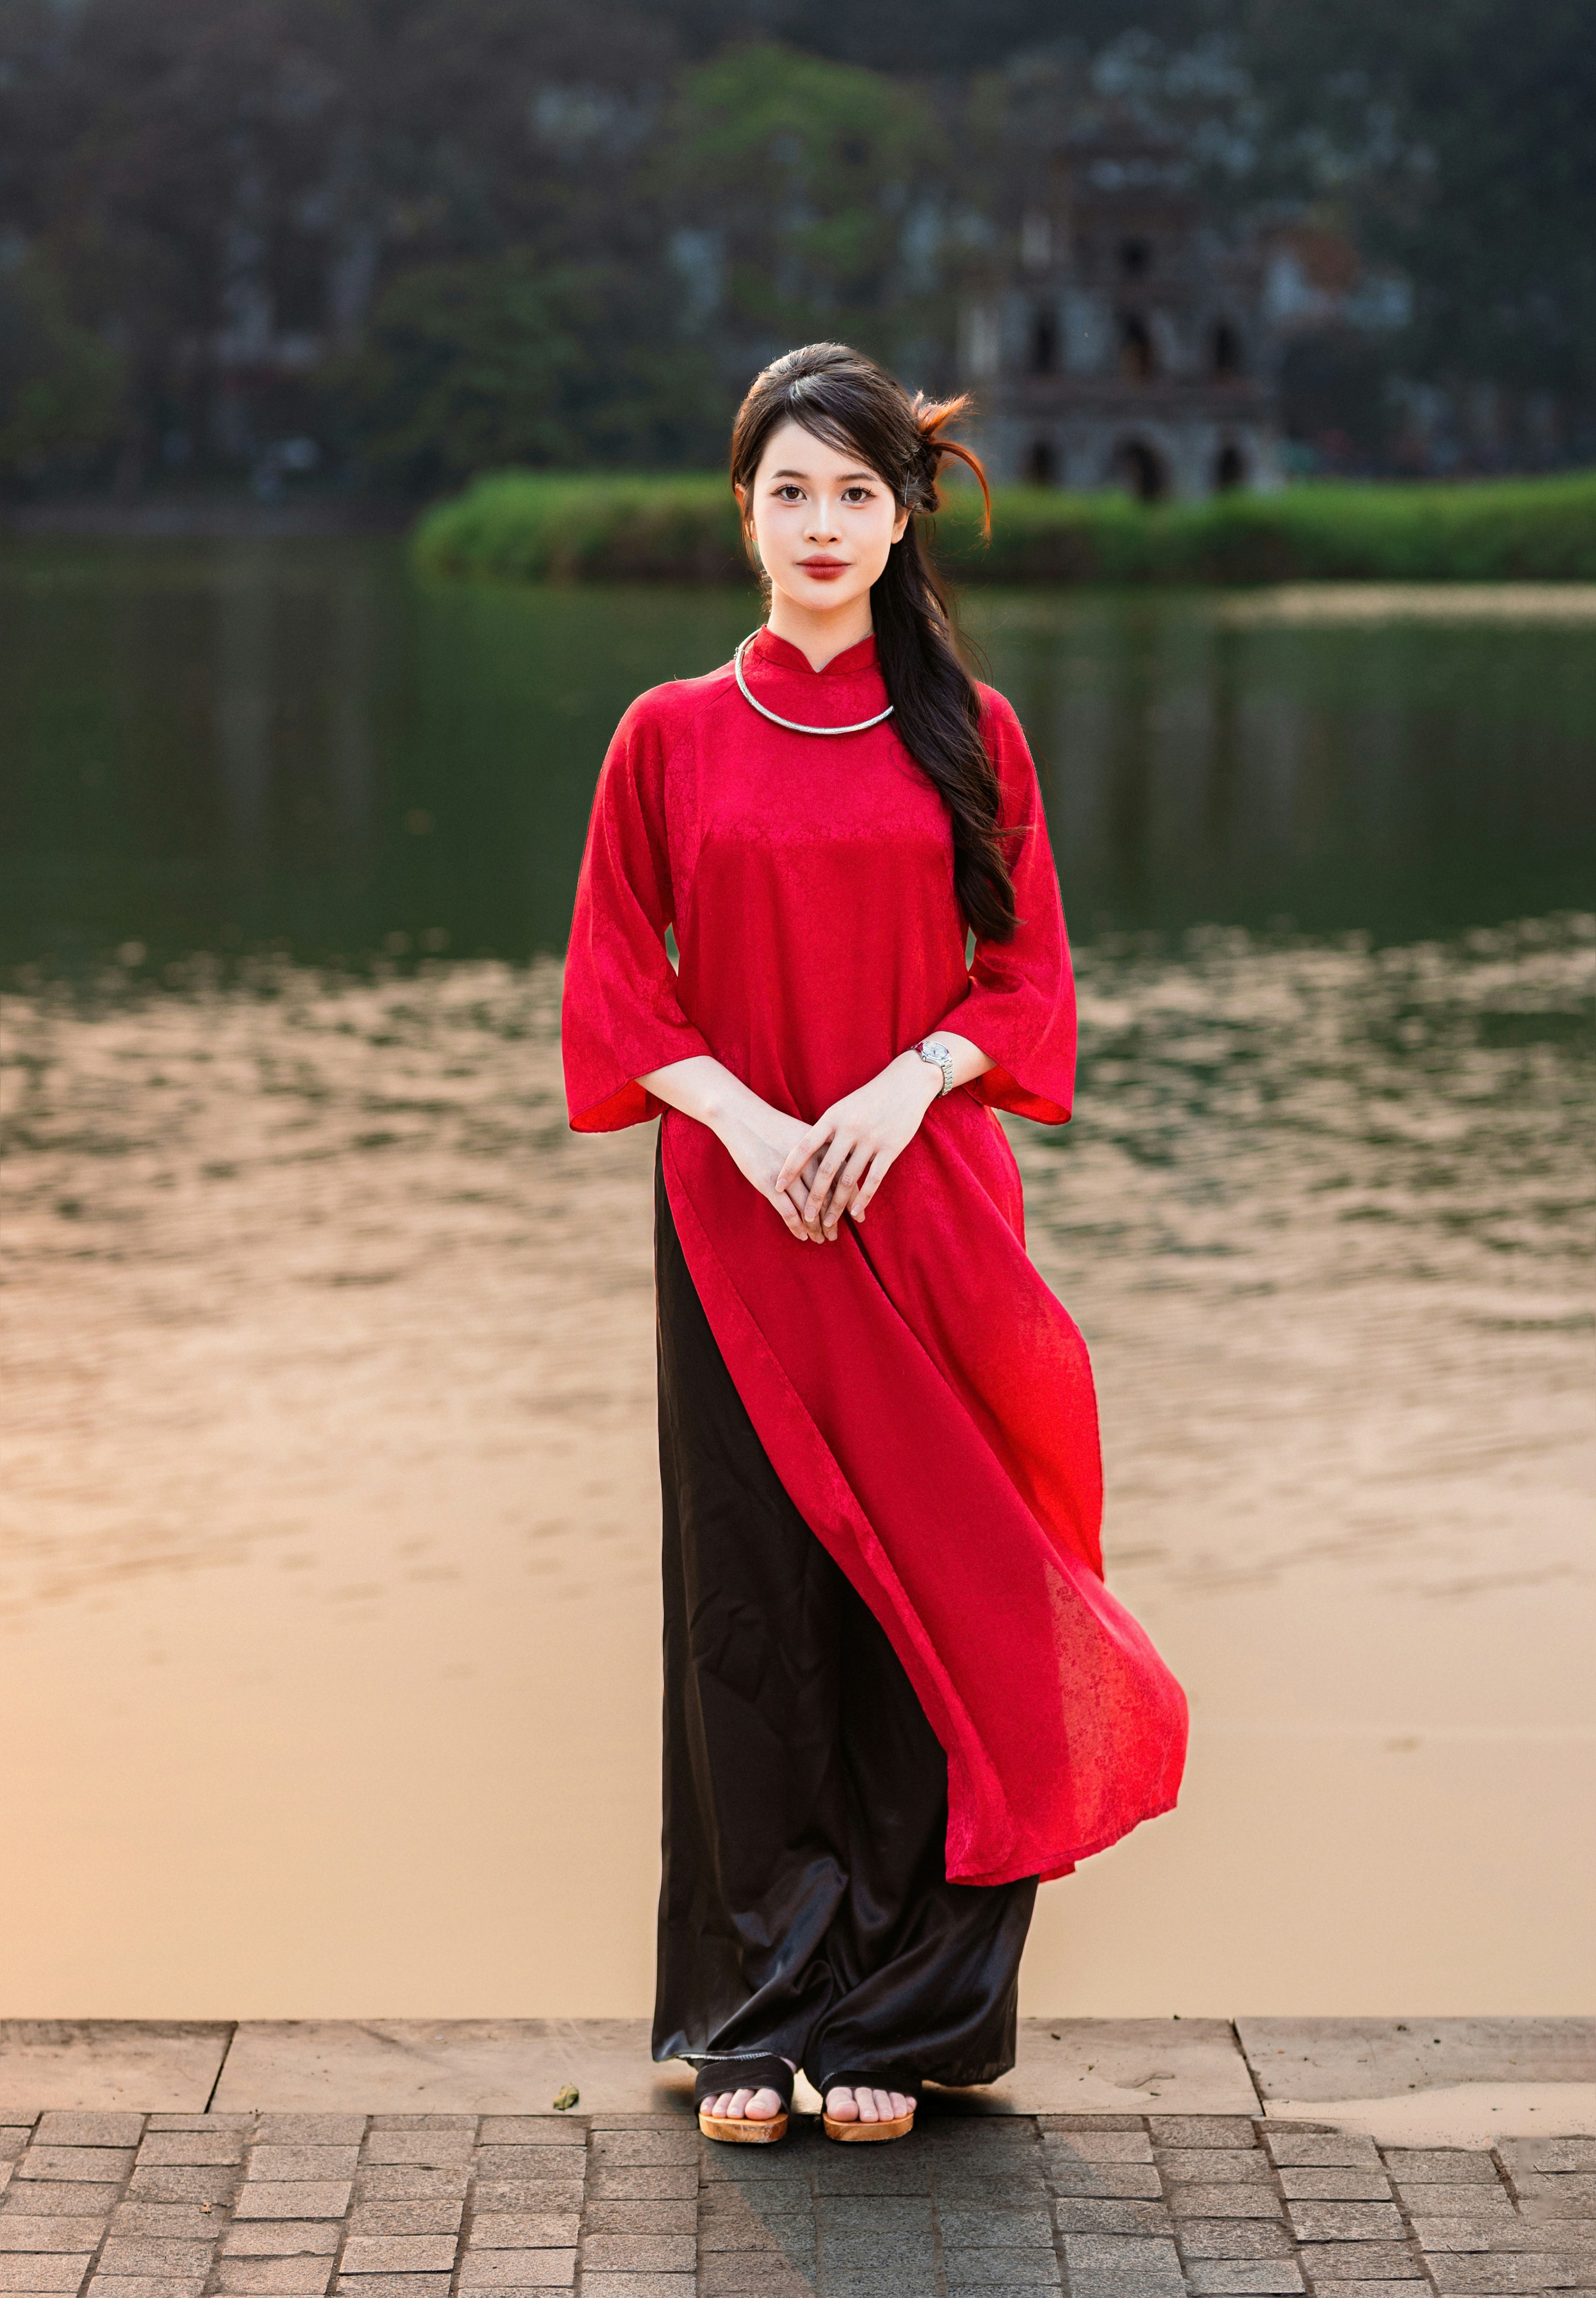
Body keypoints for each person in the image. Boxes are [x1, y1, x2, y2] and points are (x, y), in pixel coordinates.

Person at [561, 343, 1187, 2148]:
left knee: (935, 1603)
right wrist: (752, 1122)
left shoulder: (969, 735)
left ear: (903, 515)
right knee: (752, 1613)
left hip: (926, 1222)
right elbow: (615, 988)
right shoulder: (666, 735)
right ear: (741, 512)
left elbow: (1028, 985)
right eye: (788, 491)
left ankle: (902, 2018)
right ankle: (758, 2014)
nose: (820, 525)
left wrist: (905, 1087)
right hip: (741, 1223)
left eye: (854, 492)